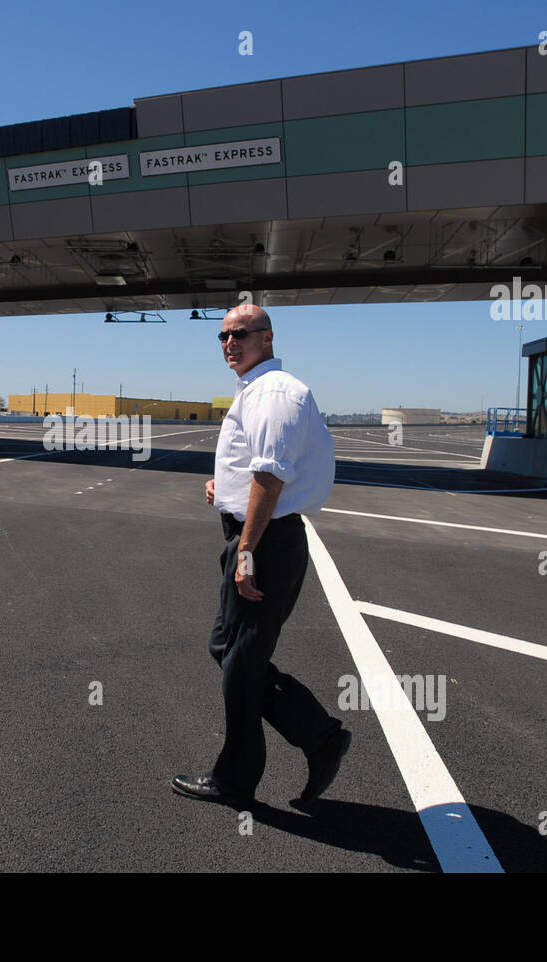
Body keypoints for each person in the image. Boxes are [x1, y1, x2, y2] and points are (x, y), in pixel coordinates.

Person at [172, 304, 349, 808]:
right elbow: (253, 470)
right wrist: (222, 486)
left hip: (265, 542)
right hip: (255, 537)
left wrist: (246, 550)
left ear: (266, 337)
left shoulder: (273, 393)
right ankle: (320, 736)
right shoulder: (254, 389)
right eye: (223, 335)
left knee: (242, 663)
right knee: (230, 654)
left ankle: (238, 777)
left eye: (240, 334)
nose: (230, 342)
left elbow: (271, 477)